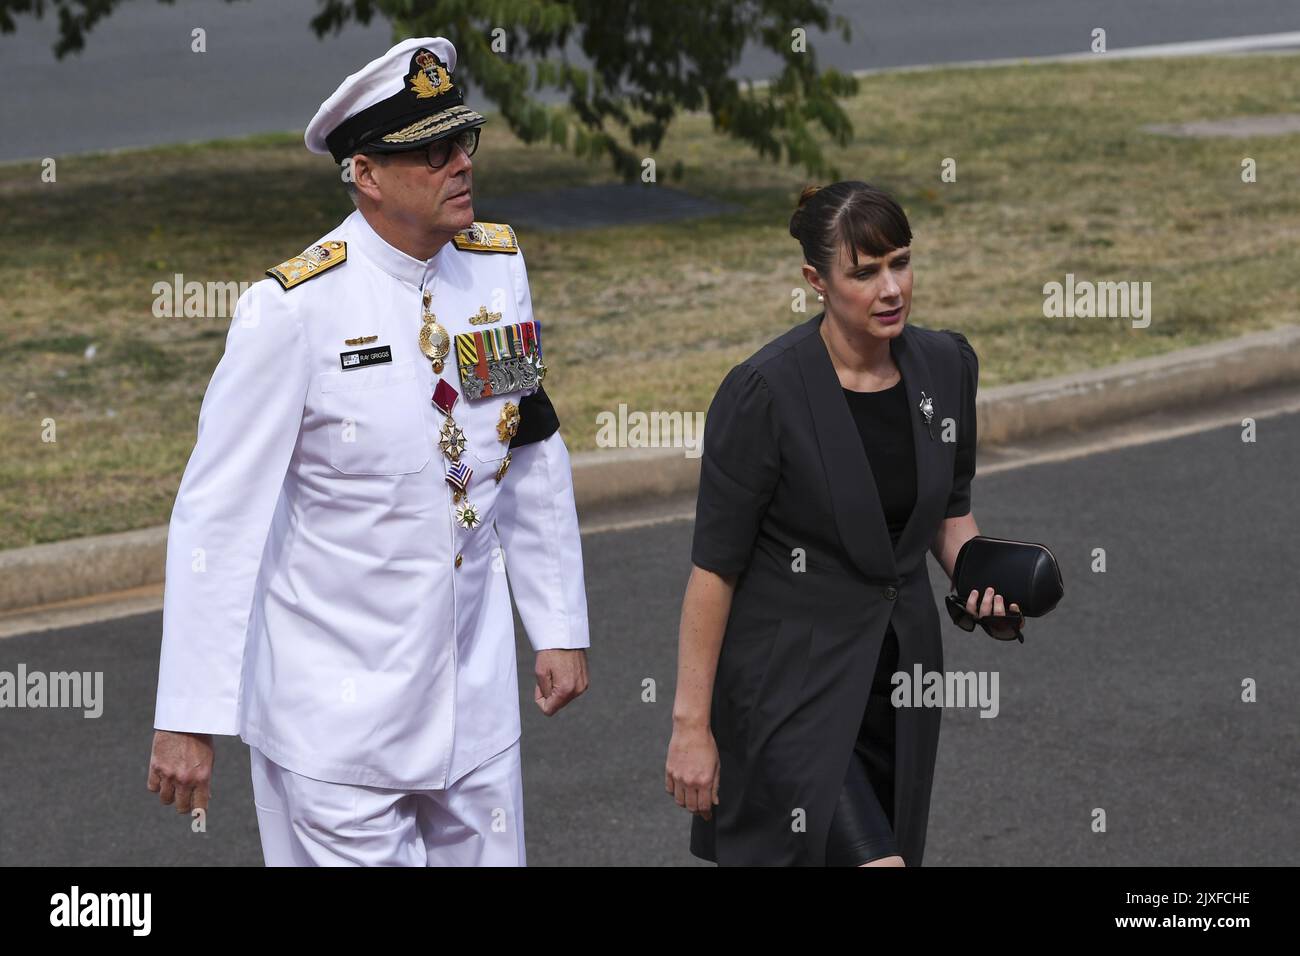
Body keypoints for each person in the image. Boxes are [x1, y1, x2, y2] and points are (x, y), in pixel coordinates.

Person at [146, 37, 591, 866]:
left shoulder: (496, 269)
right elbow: (219, 517)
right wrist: (187, 714)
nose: (461, 163)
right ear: (365, 173)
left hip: (475, 703)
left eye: (466, 141)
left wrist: (558, 621)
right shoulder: (294, 311)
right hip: (334, 725)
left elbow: (525, 443)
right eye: (432, 151)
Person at [665, 181, 1023, 866]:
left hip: (901, 680)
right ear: (816, 281)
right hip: (788, 690)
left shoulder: (946, 368)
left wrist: (986, 580)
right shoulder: (764, 393)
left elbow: (948, 514)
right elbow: (716, 567)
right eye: (865, 272)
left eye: (901, 262)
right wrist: (691, 725)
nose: (891, 288)